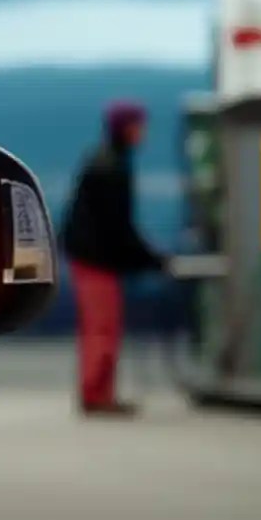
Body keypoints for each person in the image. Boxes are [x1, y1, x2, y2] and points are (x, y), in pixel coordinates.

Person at [59, 100, 167, 416]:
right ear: (126, 128)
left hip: (93, 257)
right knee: (102, 328)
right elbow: (118, 225)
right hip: (96, 260)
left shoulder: (106, 161)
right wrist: (151, 259)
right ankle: (96, 395)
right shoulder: (112, 167)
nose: (143, 133)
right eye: (139, 126)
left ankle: (100, 391)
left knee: (102, 327)